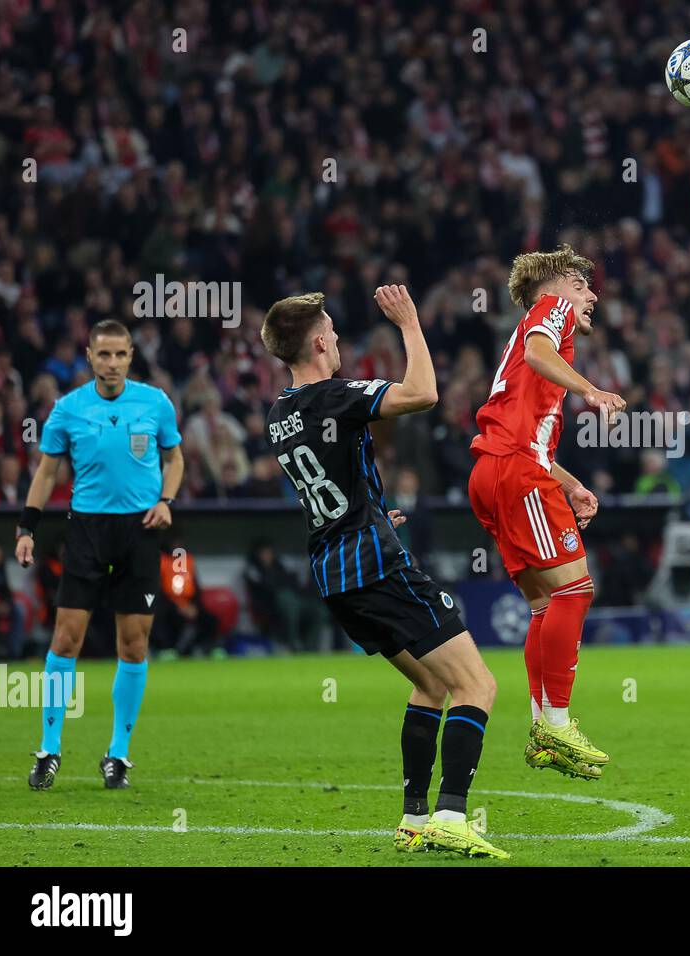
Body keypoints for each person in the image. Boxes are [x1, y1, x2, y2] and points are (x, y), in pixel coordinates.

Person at [261, 286, 507, 859]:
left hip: (335, 574)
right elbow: (422, 392)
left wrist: (371, 511)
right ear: (320, 342)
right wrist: (410, 323)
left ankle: (414, 819)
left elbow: (326, 485)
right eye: (334, 331)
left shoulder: (279, 414)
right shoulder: (333, 396)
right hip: (374, 565)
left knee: (430, 684)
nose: (340, 340)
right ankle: (451, 815)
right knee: (478, 685)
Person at [466, 245, 626, 782]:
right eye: (582, 285)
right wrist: (592, 391)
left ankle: (543, 726)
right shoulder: (547, 314)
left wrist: (573, 485)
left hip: (496, 472)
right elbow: (539, 352)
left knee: (543, 603)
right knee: (574, 591)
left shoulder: (535, 341)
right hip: (513, 471)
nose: (592, 295)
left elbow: (531, 442)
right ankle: (555, 721)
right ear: (555, 285)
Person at [16, 319, 184, 791]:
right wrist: (26, 528)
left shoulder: (155, 403)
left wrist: (165, 502)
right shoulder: (67, 410)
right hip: (87, 530)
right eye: (103, 354)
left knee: (133, 644)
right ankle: (49, 749)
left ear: (131, 356)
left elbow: (175, 459)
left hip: (140, 531)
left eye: (120, 354)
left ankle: (118, 754)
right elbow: (46, 474)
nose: (111, 363)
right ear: (89, 356)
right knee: (66, 638)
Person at [242, 538, 326, 652]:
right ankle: (292, 643)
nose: (267, 556)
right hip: (269, 604)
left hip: (292, 600)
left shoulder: (280, 566)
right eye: (264, 553)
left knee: (318, 610)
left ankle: (311, 648)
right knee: (289, 603)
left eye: (269, 553)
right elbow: (264, 589)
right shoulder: (253, 570)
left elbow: (293, 583)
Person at [0, 541, 28, 659]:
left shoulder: (0, 570)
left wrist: (7, 605)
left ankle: (14, 654)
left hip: (0, 608)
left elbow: (7, 592)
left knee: (18, 610)